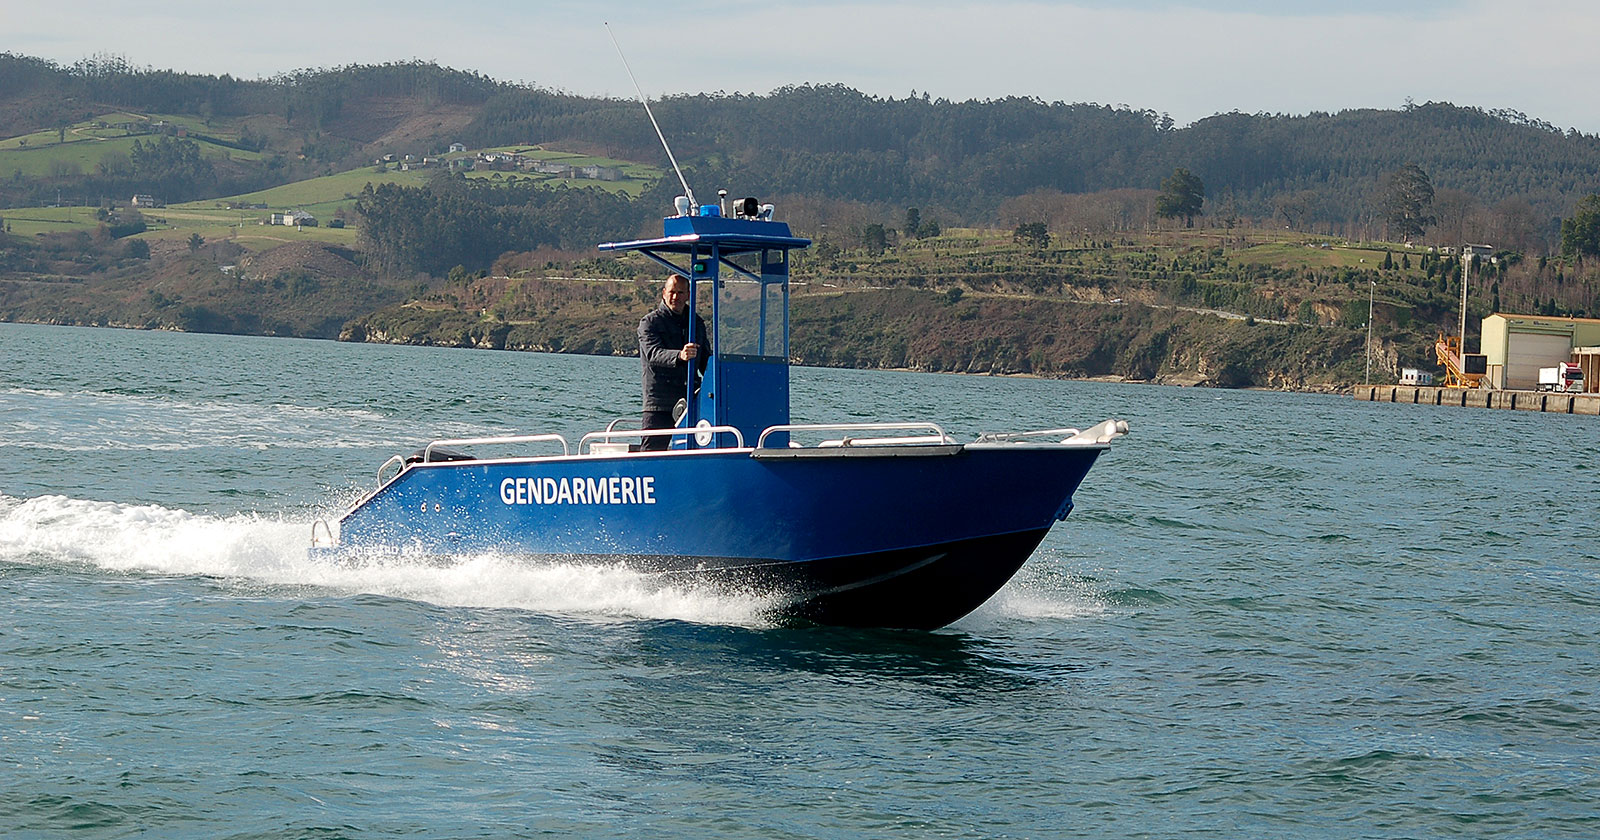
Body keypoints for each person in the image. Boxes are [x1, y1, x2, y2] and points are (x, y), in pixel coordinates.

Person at [637, 274, 709, 450]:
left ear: (688, 295)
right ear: (664, 293)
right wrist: (680, 356)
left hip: (691, 400)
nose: (675, 297)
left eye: (680, 292)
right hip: (659, 402)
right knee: (651, 452)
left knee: (696, 449)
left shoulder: (696, 323)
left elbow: (705, 360)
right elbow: (654, 354)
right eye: (672, 292)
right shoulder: (649, 323)